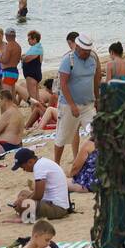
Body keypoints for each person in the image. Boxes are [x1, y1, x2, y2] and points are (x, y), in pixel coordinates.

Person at [55, 35, 100, 164]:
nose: (87, 54)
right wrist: (72, 105)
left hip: (88, 105)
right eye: (84, 52)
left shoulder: (93, 58)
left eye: (89, 51)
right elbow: (63, 84)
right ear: (78, 47)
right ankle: (56, 163)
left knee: (97, 132)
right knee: (61, 137)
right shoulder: (68, 60)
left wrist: (98, 99)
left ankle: (95, 161)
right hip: (68, 106)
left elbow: (96, 80)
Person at [10, 148, 71, 220]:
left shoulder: (39, 167)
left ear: (30, 162)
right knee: (23, 194)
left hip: (58, 208)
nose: (23, 170)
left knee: (22, 203)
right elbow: (37, 193)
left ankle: (24, 216)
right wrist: (25, 199)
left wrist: (24, 202)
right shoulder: (42, 162)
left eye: (23, 167)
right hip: (53, 202)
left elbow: (38, 195)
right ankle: (24, 212)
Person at [0, 28, 24, 100]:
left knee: (7, 96)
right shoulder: (18, 46)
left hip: (8, 72)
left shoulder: (9, 46)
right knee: (12, 96)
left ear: (6, 36)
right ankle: (15, 108)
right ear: (15, 36)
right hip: (14, 71)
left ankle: (11, 110)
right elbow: (18, 60)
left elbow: (5, 60)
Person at [22, 30, 44, 103]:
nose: (28, 41)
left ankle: (36, 113)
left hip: (32, 75)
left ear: (34, 39)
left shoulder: (36, 49)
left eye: (29, 39)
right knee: (36, 97)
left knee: (33, 99)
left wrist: (22, 57)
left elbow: (27, 59)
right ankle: (40, 113)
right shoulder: (37, 48)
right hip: (35, 73)